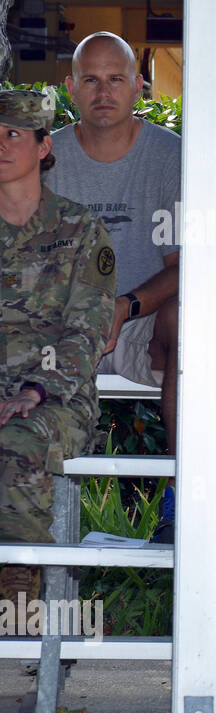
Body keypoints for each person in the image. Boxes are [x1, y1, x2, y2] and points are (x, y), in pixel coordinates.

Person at [44, 31, 181, 541]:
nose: (104, 91)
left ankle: (180, 505)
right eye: (92, 80)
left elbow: (187, 264)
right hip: (62, 327)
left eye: (117, 79)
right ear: (70, 87)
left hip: (142, 327)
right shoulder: (44, 158)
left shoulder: (169, 156)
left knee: (189, 325)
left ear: (139, 87)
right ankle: (23, 522)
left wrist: (124, 306)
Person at [0, 90, 116, 609]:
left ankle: (19, 594)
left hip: (56, 399)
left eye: (14, 134)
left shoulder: (82, 230)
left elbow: (86, 331)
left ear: (44, 147)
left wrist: (33, 390)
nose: (1, 145)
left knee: (21, 441)